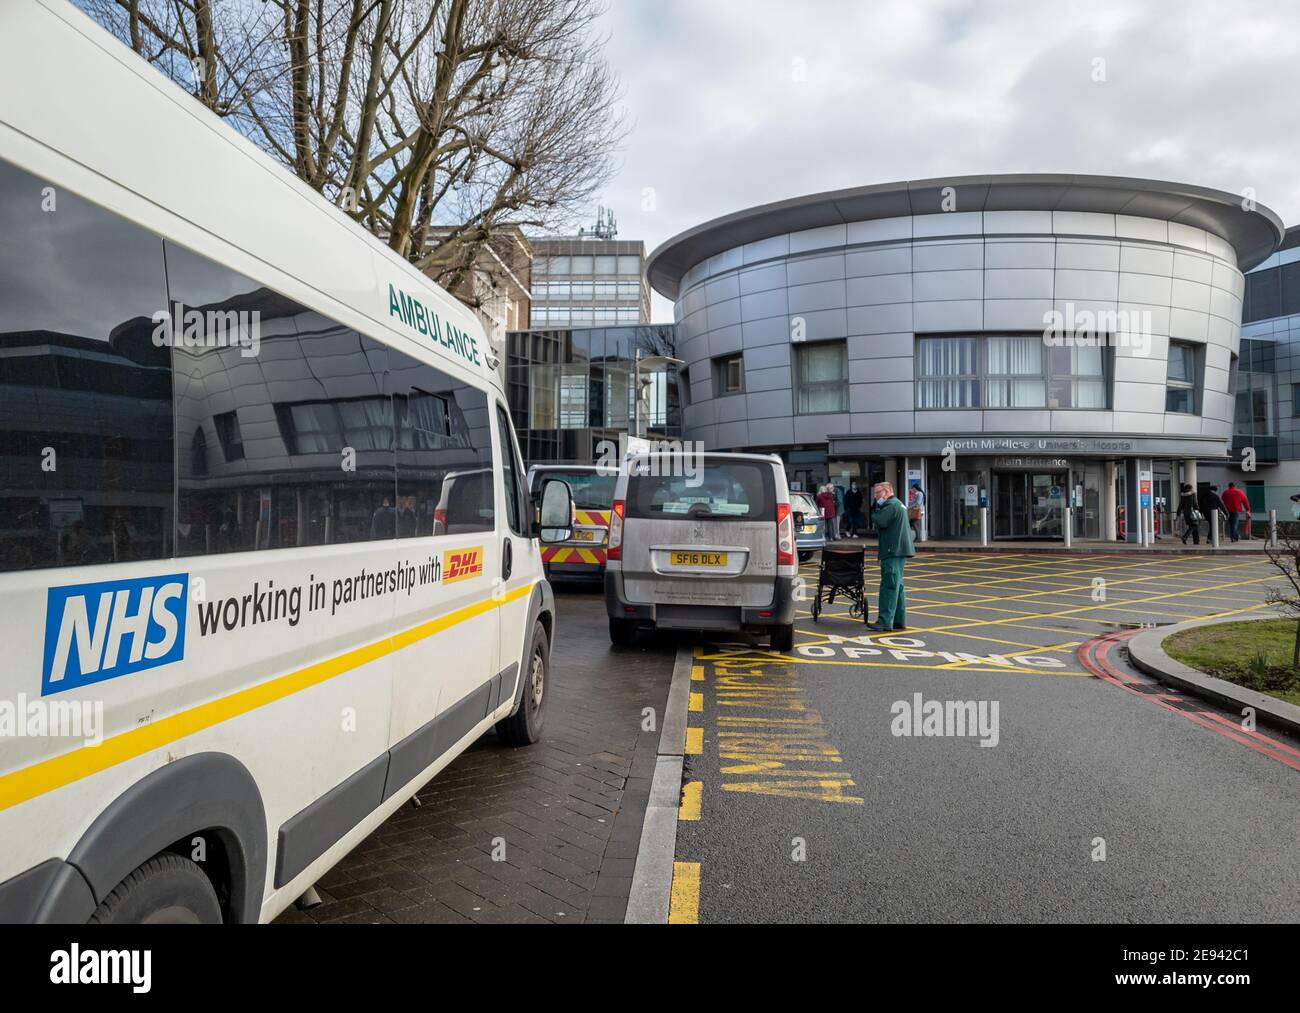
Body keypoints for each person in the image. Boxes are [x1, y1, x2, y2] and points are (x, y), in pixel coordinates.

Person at [866, 481, 915, 632]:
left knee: (889, 585)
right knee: (898, 585)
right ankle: (899, 620)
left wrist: (875, 511)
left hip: (892, 550)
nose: (875, 497)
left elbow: (880, 520)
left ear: (887, 492)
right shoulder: (898, 504)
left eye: (878, 493)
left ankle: (885, 621)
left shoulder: (890, 505)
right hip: (900, 550)